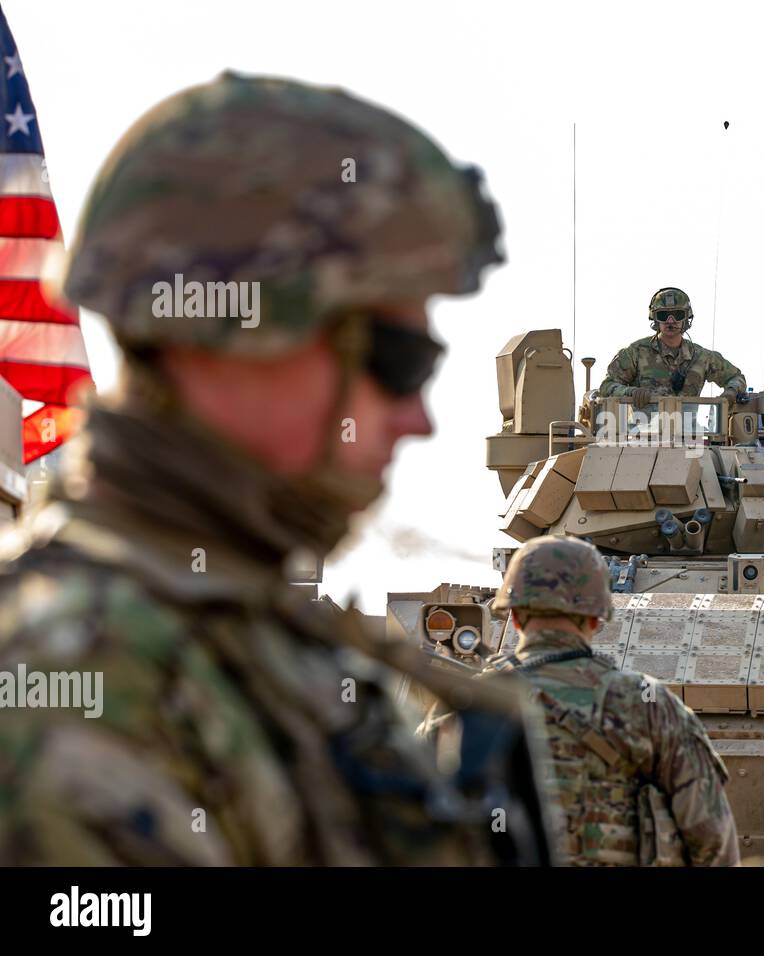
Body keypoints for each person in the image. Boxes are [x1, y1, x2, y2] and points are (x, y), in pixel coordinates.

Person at [0, 71, 551, 866]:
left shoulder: (262, 643)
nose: (418, 418)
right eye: (400, 360)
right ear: (238, 332)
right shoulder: (69, 675)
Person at [470, 535, 740, 866]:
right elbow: (711, 837)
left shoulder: (466, 705)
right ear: (596, 619)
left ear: (513, 617)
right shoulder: (649, 706)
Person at [597, 287, 748, 406]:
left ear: (686, 319)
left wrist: (730, 393)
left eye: (677, 315)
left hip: (688, 437)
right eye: (663, 315)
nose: (671, 321)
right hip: (643, 437)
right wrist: (631, 392)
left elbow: (736, 377)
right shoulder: (635, 353)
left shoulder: (701, 357)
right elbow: (606, 387)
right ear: (655, 320)